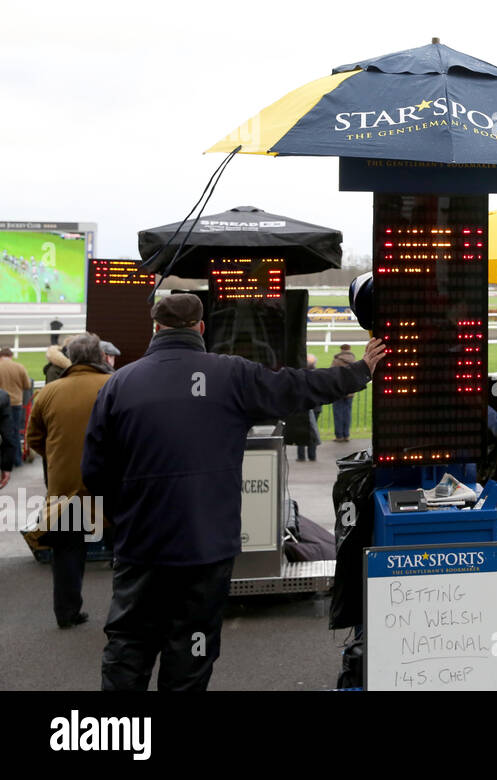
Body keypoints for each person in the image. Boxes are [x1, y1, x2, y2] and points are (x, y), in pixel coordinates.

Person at [81, 293, 385, 691]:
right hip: (206, 548)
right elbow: (296, 388)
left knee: (128, 649)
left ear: (156, 328)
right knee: (190, 652)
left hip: (142, 547)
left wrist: (128, 517)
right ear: (201, 327)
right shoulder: (229, 374)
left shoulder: (120, 383)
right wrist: (359, 370)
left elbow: (94, 472)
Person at [26, 333, 113, 628]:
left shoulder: (48, 392)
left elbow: (35, 439)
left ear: (72, 358)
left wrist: (58, 458)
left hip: (65, 484)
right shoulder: (114, 386)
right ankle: (125, 611)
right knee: (123, 546)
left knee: (67, 551)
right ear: (100, 357)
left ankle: (67, 612)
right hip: (111, 481)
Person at [0, 346, 32, 465]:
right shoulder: (19, 367)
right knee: (15, 432)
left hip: (1, 404)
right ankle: (17, 460)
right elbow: (27, 385)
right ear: (11, 356)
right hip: (16, 403)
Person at [329, 344, 357, 441]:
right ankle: (346, 435)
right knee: (347, 413)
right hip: (350, 391)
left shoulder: (336, 361)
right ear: (349, 349)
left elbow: (330, 374)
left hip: (338, 391)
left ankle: (339, 436)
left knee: (338, 414)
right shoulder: (354, 361)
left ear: (341, 349)